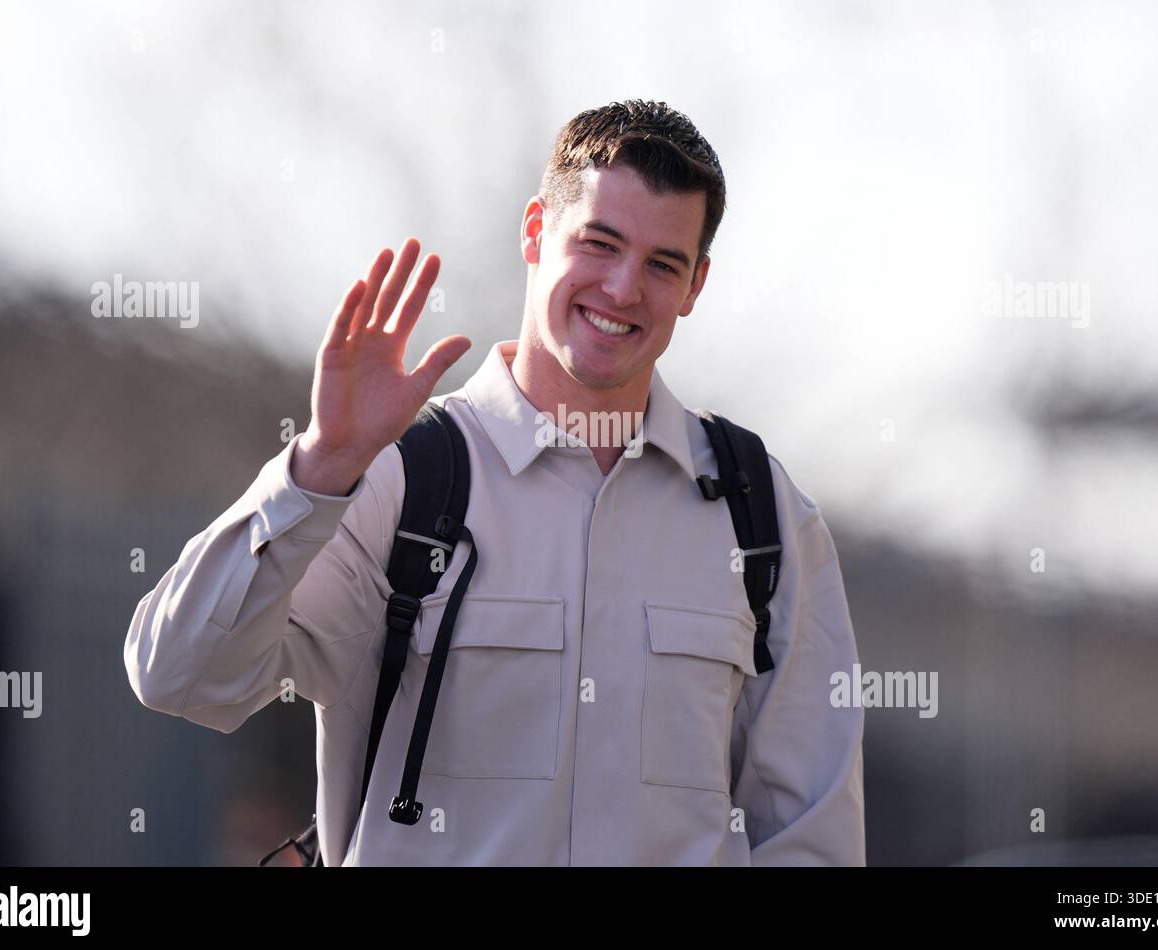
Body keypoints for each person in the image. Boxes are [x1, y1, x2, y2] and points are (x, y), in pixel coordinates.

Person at [125, 99, 865, 866]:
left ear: (696, 285)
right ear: (536, 232)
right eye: (599, 243)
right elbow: (179, 676)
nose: (621, 288)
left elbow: (811, 836)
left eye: (661, 264)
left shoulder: (763, 513)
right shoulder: (394, 480)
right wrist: (319, 466)